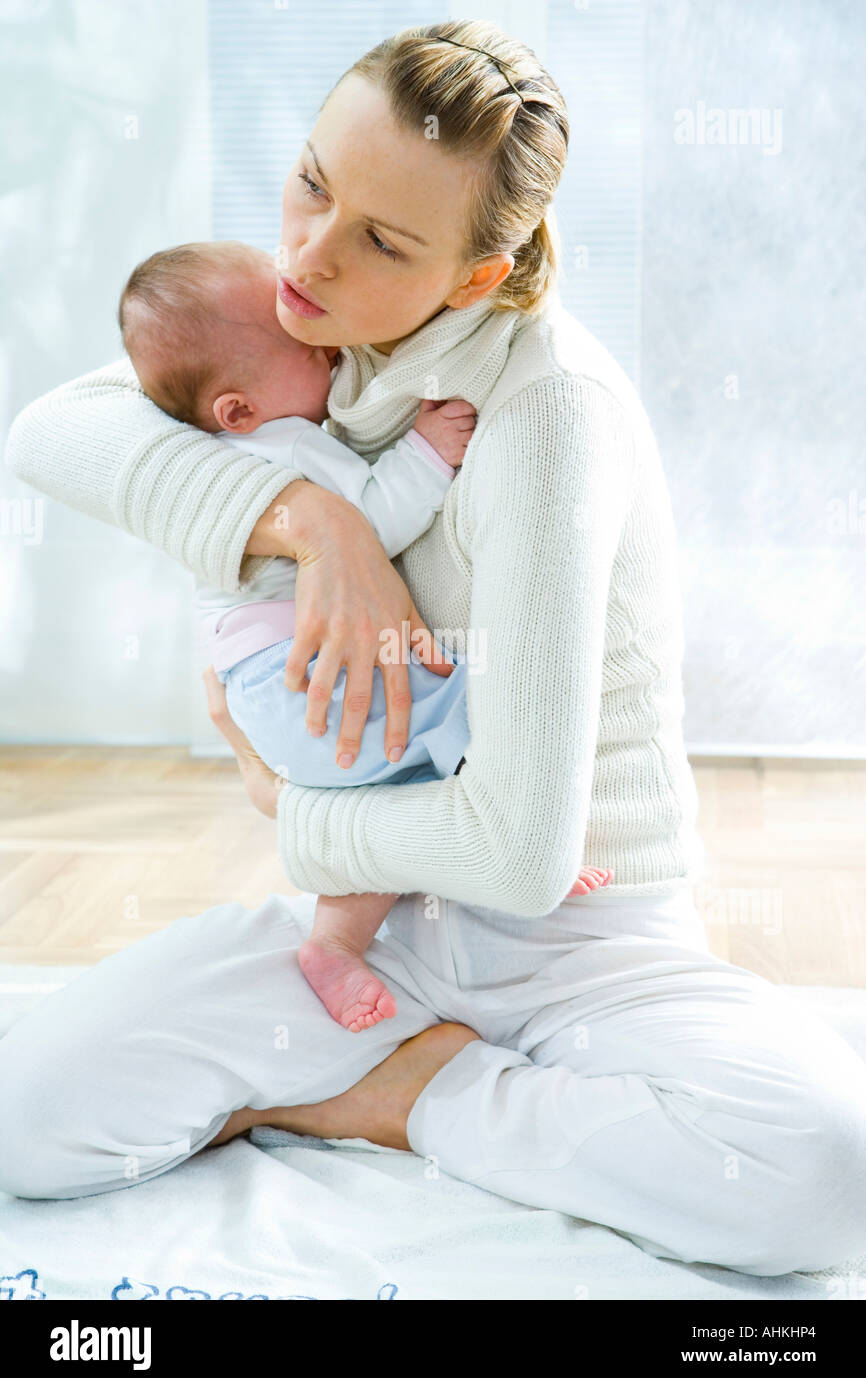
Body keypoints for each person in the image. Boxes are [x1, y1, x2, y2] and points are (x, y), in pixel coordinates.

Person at [3, 20, 866, 1277]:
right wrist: (311, 519)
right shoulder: (313, 333)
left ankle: (403, 1096)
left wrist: (283, 806)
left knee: (819, 1173)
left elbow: (522, 851)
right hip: (379, 930)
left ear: (471, 277)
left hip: (583, 935)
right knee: (28, 1115)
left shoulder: (542, 412)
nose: (305, 253)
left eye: (380, 239)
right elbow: (50, 428)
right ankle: (416, 1067)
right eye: (309, 182)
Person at [117, 238, 611, 1030]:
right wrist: (427, 449)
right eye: (301, 347)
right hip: (301, 668)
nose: (328, 350)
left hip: (267, 693)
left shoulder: (214, 447)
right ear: (238, 409)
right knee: (467, 706)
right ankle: (531, 836)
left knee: (394, 787)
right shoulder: (284, 447)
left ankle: (334, 944)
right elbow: (370, 522)